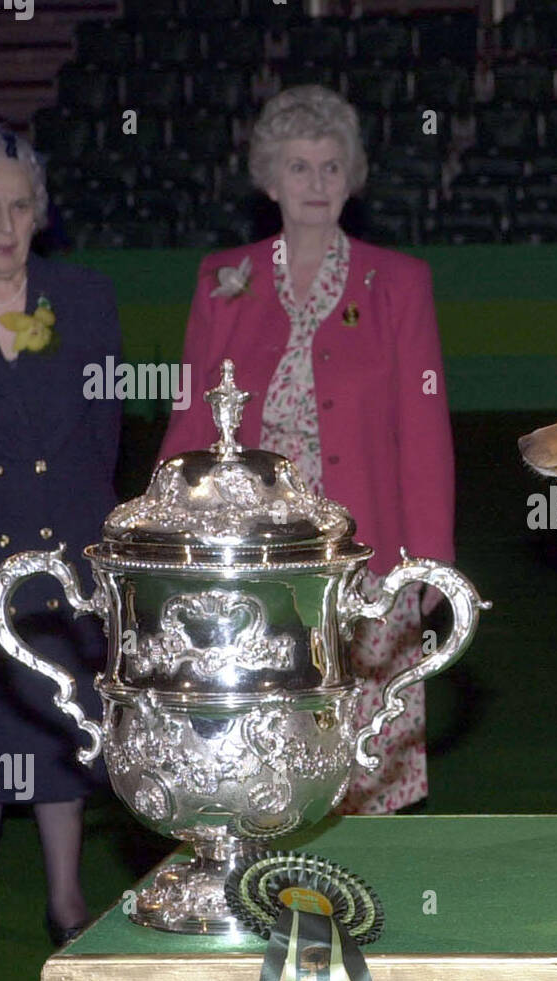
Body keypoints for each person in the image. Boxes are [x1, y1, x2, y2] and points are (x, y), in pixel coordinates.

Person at [156, 86, 455, 815]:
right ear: (270, 179)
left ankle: (363, 900)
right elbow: (193, 416)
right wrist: (159, 534)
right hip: (258, 559)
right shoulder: (223, 280)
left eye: (330, 167)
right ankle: (275, 885)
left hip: (366, 554)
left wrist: (429, 565)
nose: (316, 183)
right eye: (299, 167)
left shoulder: (400, 282)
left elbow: (424, 432)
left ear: (351, 178)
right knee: (269, 741)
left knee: (365, 741)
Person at [0, 123, 122, 971]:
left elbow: (107, 432)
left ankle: (66, 896)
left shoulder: (85, 298)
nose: (2, 226)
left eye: (18, 207)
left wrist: (91, 540)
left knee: (60, 714)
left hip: (61, 545)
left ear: (38, 215)